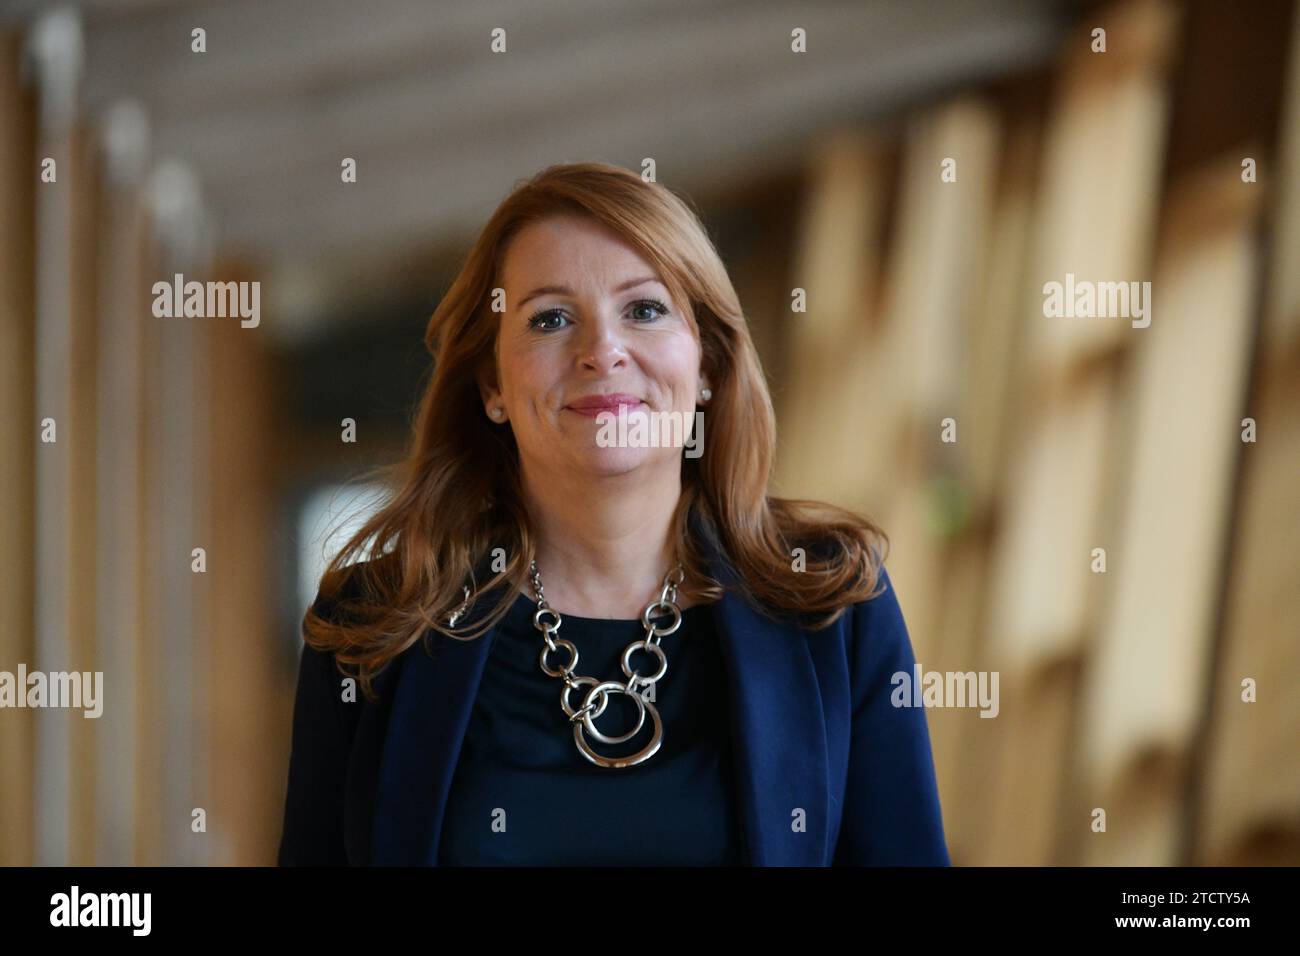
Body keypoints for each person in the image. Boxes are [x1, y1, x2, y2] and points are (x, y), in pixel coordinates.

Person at [277, 161, 950, 866]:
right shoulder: (373, 625)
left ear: (709, 366)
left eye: (645, 309)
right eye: (551, 319)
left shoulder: (833, 605)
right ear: (491, 384)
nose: (601, 352)